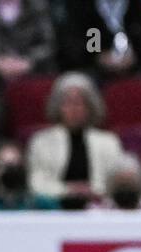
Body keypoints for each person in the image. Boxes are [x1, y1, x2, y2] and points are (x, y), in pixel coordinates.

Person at [26, 72, 125, 207]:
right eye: (68, 103)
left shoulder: (109, 142)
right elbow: (35, 184)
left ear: (90, 107)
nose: (74, 109)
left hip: (97, 208)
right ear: (57, 106)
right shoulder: (41, 142)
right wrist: (69, 190)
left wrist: (91, 190)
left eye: (80, 103)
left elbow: (115, 183)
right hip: (53, 207)